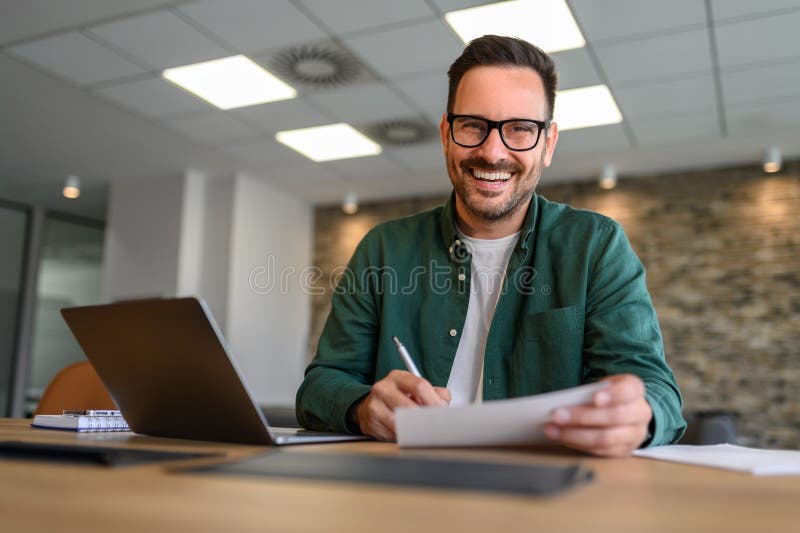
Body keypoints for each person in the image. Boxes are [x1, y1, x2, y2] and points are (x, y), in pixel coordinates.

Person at [296, 35, 686, 457]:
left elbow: (658, 391)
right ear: (447, 134)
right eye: (473, 126)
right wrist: (360, 408)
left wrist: (638, 415)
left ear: (548, 144)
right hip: (406, 489)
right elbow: (320, 385)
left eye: (520, 129)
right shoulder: (383, 249)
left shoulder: (595, 245)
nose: (492, 151)